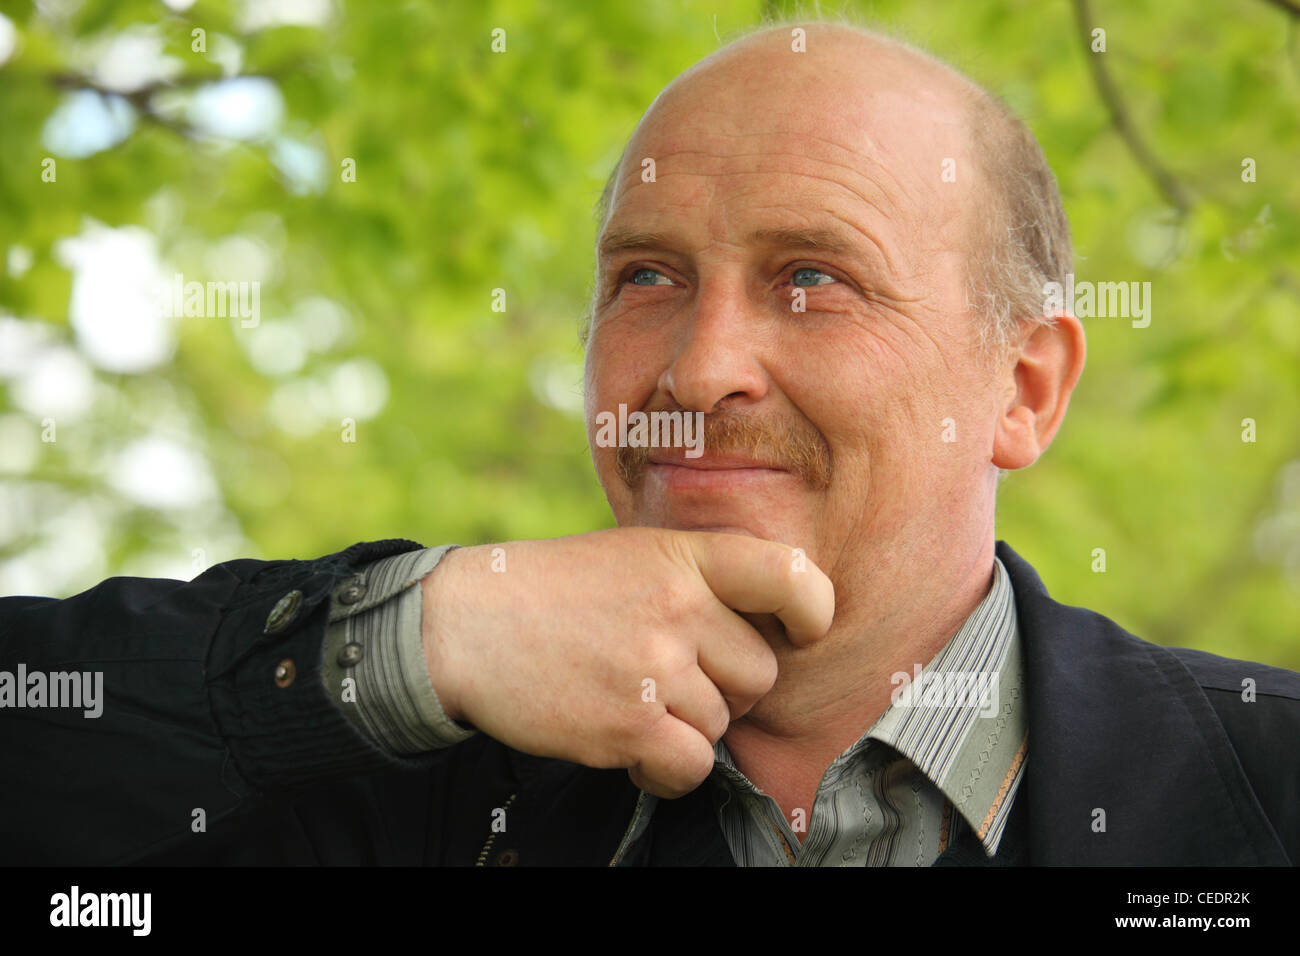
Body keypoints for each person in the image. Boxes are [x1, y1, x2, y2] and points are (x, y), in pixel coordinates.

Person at [2, 21, 1296, 867]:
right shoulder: (385, 789)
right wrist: (414, 640)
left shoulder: (1267, 785)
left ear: (1025, 388)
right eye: (647, 279)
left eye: (812, 276)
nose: (699, 366)